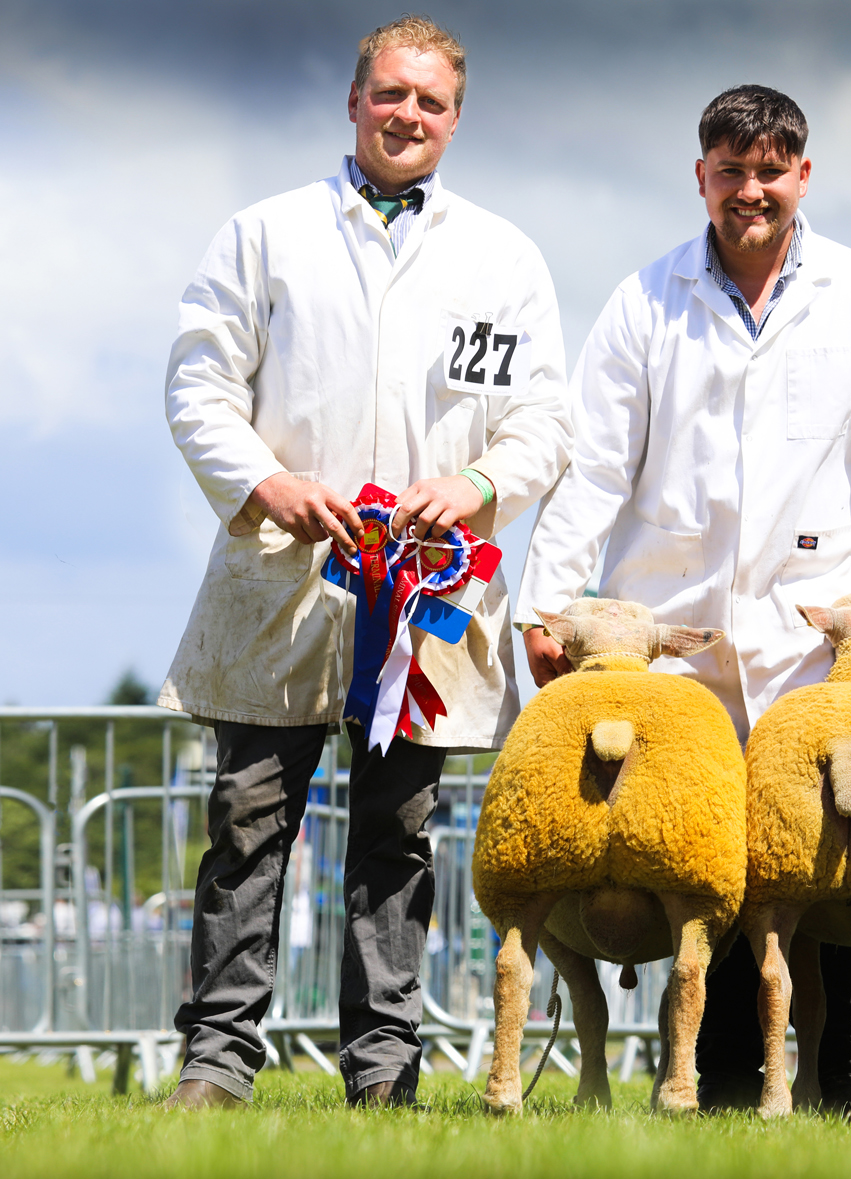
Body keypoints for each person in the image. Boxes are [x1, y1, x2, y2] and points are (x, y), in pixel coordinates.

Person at [516, 86, 851, 1114]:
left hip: (821, 637)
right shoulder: (644, 301)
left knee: (831, 848)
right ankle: (718, 1078)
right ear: (702, 176)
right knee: (701, 855)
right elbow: (590, 472)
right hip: (671, 637)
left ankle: (838, 1077)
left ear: (802, 175)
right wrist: (547, 610)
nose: (750, 190)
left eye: (771, 171)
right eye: (731, 171)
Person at [155, 17, 570, 1110]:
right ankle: (216, 1064)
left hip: (424, 607)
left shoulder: (504, 257)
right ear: (353, 101)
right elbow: (198, 385)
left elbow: (543, 422)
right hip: (284, 579)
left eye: (430, 103)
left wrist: (478, 487)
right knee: (247, 826)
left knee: (399, 840)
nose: (408, 117)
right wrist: (265, 484)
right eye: (391, 95)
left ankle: (384, 1070)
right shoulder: (265, 235)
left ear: (456, 119)